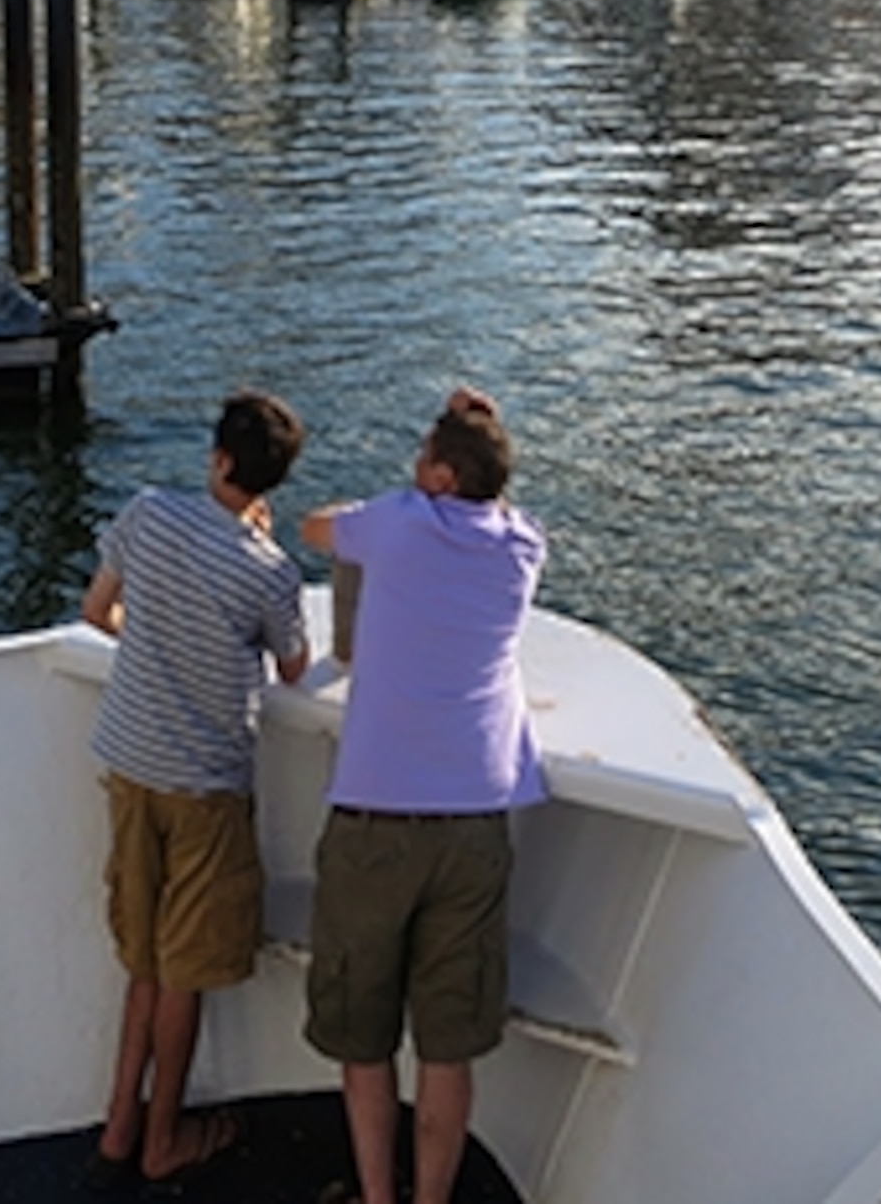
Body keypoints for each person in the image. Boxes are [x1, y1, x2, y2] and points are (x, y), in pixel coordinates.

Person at [298, 386, 545, 1204]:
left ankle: (378, 1196)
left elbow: (315, 526)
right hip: (476, 819)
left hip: (377, 816)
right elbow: (493, 500)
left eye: (424, 454)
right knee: (448, 1048)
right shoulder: (523, 546)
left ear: (441, 478)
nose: (414, 461)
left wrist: (413, 486)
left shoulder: (398, 523)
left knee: (364, 1036)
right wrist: (477, 435)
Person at [80, 390, 313, 1187]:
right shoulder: (270, 572)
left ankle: (120, 1126)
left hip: (130, 765)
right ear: (270, 484)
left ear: (217, 458)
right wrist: (260, 548)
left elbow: (97, 610)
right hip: (206, 786)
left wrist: (147, 635)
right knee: (181, 973)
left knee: (143, 962)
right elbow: (293, 666)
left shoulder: (148, 513)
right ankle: (163, 1139)